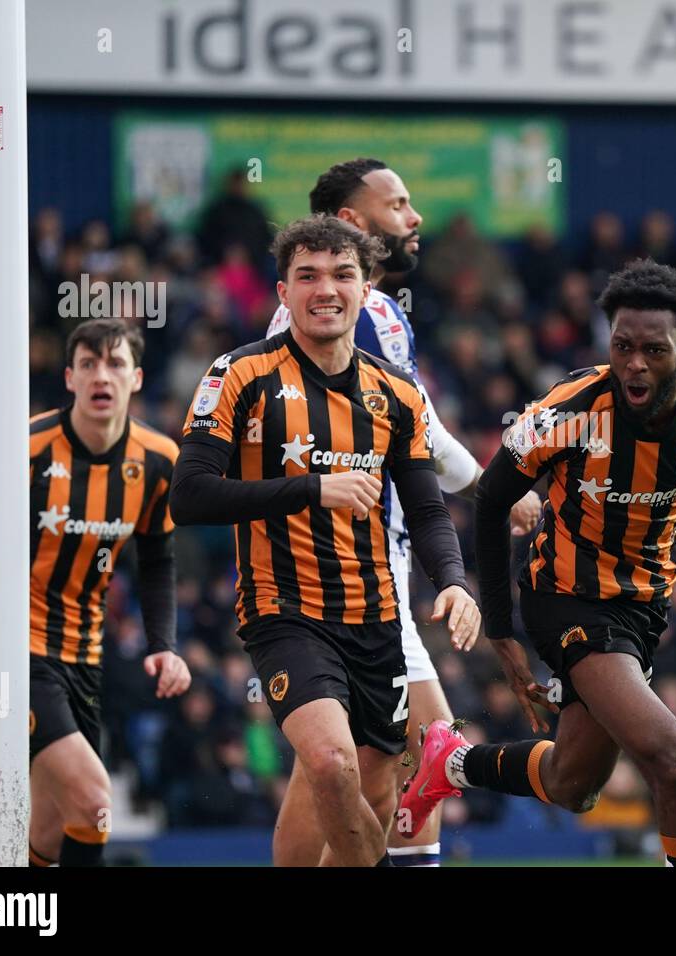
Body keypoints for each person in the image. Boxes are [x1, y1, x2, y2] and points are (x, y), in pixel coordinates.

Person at [400, 260, 676, 867]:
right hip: (565, 596)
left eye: (653, 349)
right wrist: (501, 630)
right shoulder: (568, 409)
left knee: (575, 783)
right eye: (622, 346)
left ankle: (451, 761)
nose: (634, 364)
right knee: (675, 767)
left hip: (644, 607)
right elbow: (491, 498)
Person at [170, 214, 479, 866]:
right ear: (282, 292)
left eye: (343, 275)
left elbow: (426, 509)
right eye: (306, 276)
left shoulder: (395, 393)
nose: (326, 290)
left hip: (378, 623)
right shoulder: (238, 376)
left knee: (364, 786)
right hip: (285, 614)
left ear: (367, 289)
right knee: (331, 763)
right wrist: (314, 488)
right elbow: (190, 495)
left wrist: (452, 581)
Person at [263, 158, 540, 866]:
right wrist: (494, 488)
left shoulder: (320, 318)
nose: (415, 219)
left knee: (333, 769)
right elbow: (426, 442)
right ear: (352, 224)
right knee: (429, 750)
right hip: (355, 578)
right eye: (400, 205)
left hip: (329, 571)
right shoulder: (370, 314)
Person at [0, 317, 192, 866]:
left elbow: (157, 560)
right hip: (6, 647)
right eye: (89, 363)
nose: (101, 375)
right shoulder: (20, 448)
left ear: (136, 379)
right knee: (94, 799)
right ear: (69, 377)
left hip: (83, 652)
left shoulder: (160, 460)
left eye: (115, 363)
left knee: (48, 822)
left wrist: (164, 643)